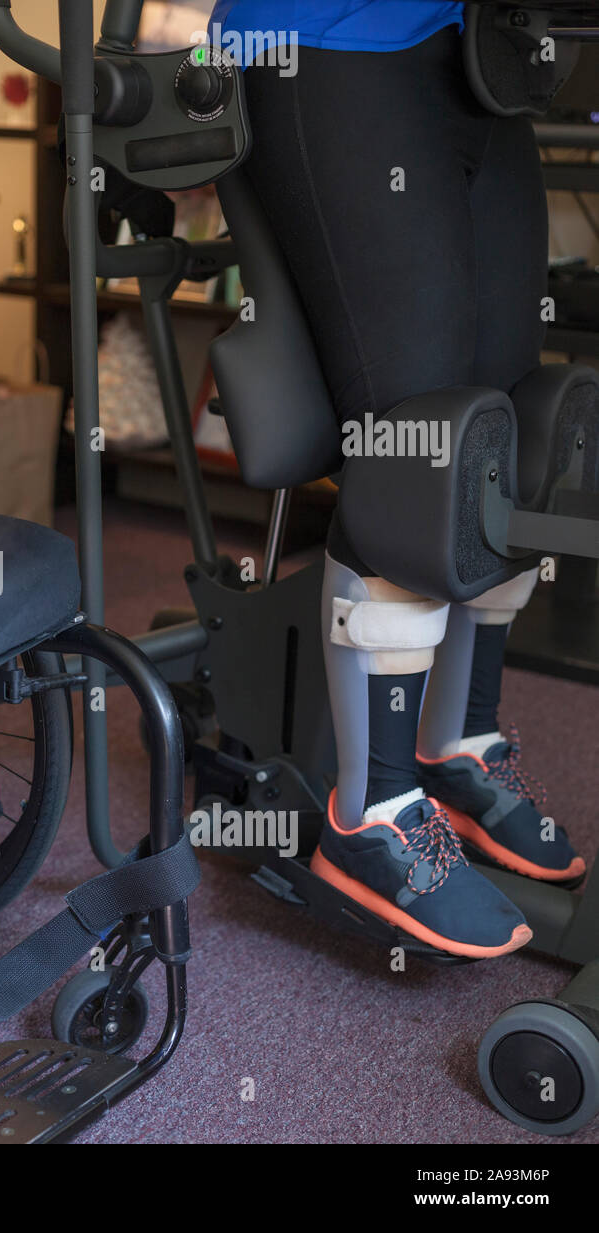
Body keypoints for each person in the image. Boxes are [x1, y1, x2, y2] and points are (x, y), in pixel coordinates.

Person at [211, 0, 585, 957]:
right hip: (332, 41)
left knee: (504, 429)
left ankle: (458, 746)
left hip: (479, 50)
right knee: (419, 443)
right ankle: (372, 810)